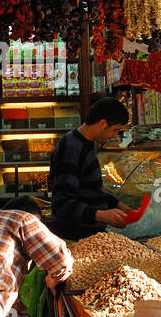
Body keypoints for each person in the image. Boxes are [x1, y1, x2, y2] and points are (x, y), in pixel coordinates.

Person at [47, 96, 131, 241]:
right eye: (115, 130)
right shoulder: (72, 148)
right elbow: (62, 203)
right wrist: (103, 215)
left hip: (87, 234)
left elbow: (88, 189)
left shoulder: (84, 143)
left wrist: (120, 206)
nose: (115, 136)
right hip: (74, 235)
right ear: (103, 123)